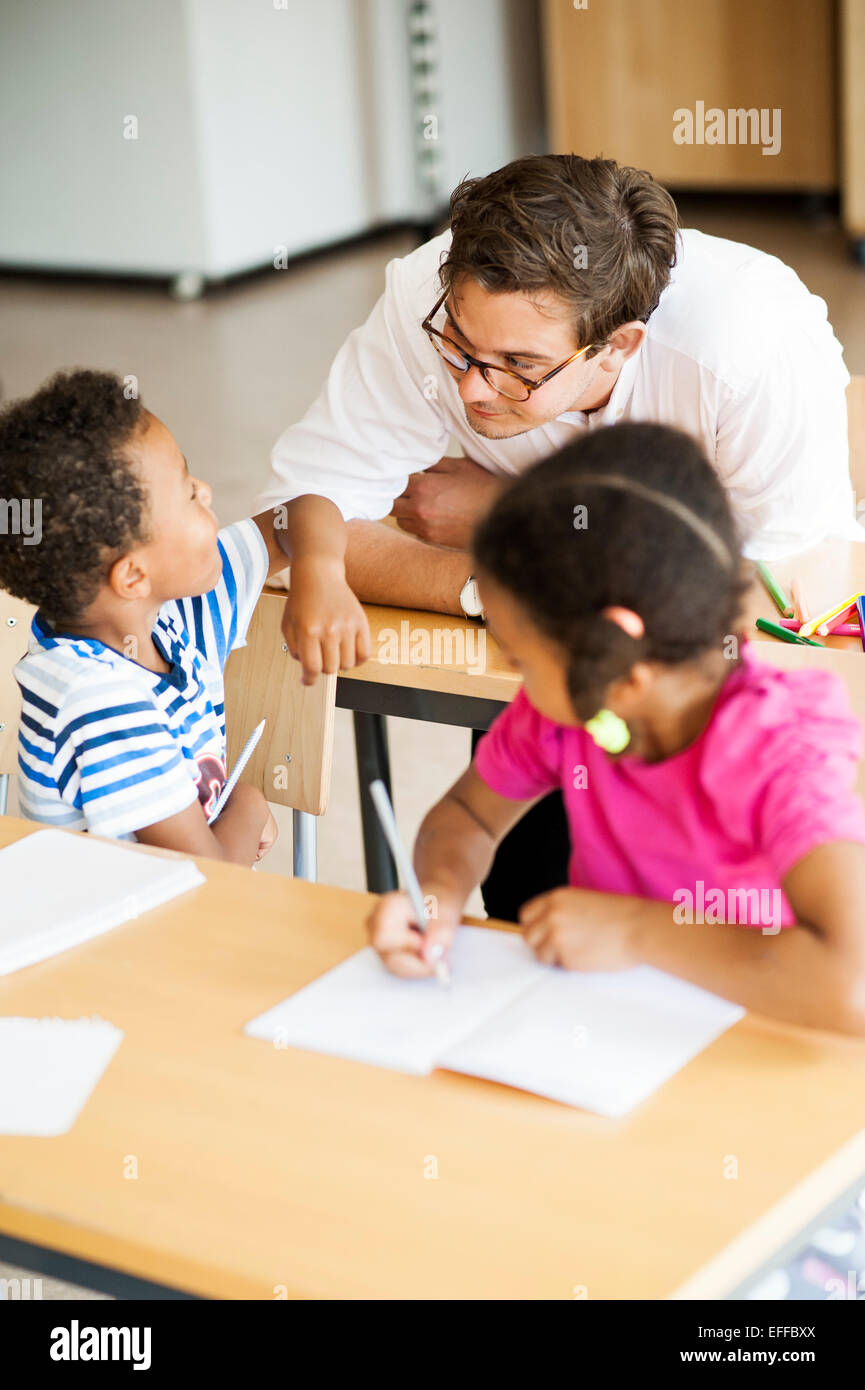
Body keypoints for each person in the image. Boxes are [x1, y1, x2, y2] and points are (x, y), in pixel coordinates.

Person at [257, 153, 862, 920]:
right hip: (566, 649)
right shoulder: (438, 296)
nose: (472, 389)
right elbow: (295, 523)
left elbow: (782, 602)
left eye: (518, 367)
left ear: (619, 347)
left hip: (695, 681)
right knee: (521, 893)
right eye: (460, 351)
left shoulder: (742, 351)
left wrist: (510, 519)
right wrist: (502, 586)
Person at [365, 423, 865, 1035]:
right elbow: (466, 817)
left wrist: (635, 932)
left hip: (757, 1052)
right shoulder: (578, 709)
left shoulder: (779, 752)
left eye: (522, 659)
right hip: (609, 1034)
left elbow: (853, 984)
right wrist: (435, 903)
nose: (514, 678)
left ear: (617, 664)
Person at [0, 370, 369, 863]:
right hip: (135, 935)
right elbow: (211, 879)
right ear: (132, 577)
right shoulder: (97, 699)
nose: (207, 490)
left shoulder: (174, 612)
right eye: (188, 493)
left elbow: (299, 513)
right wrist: (248, 802)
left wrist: (320, 572)